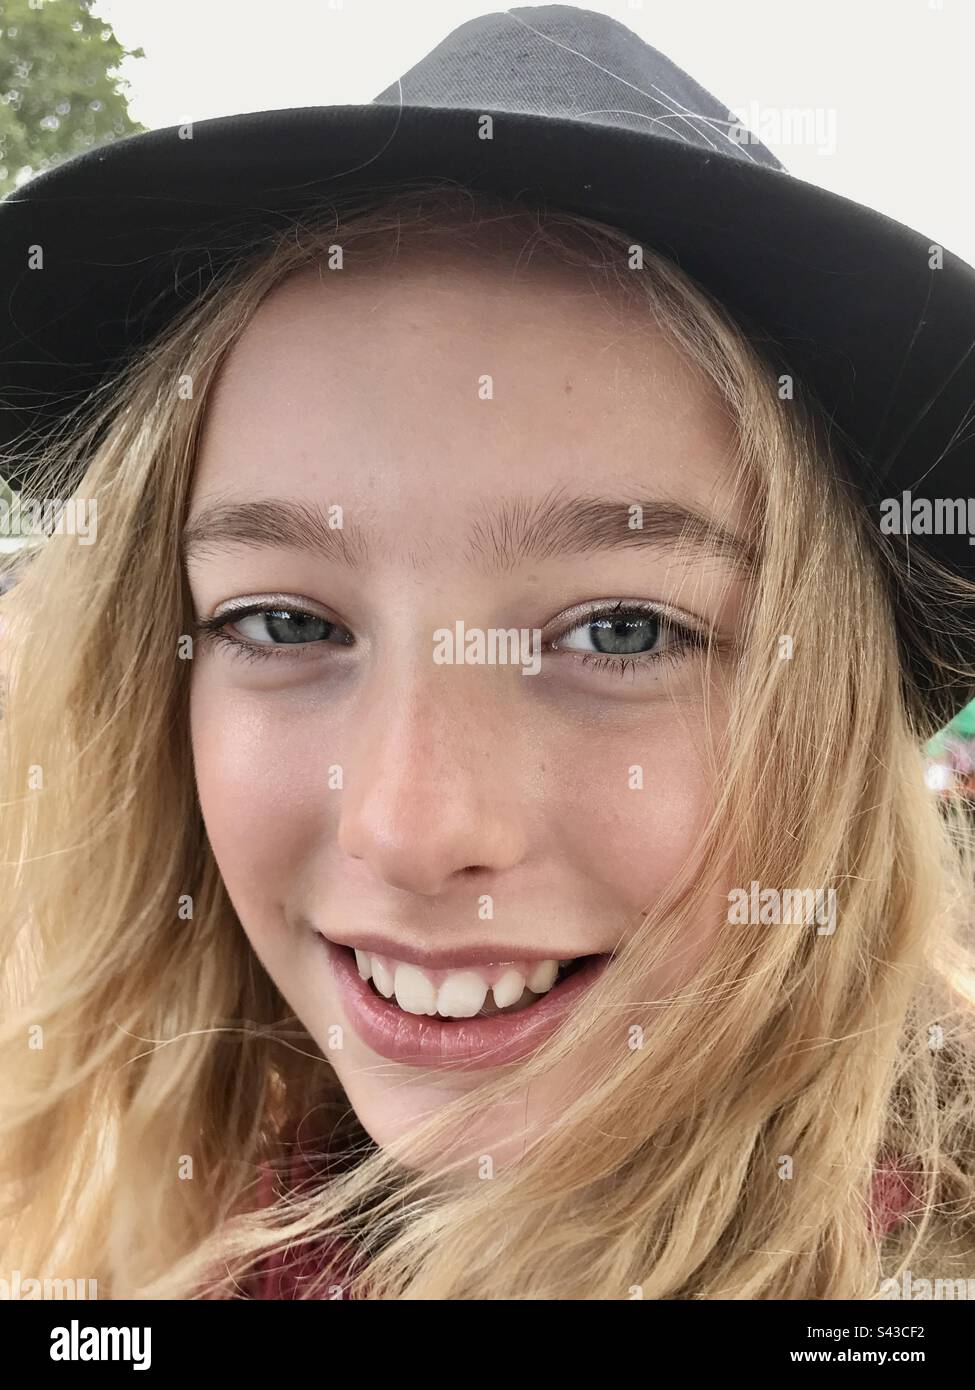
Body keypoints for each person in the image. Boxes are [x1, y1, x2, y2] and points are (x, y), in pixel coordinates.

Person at [1, 6, 974, 1301]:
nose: (407, 827)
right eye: (284, 621)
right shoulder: (176, 1212)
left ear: (844, 714)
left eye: (623, 630)